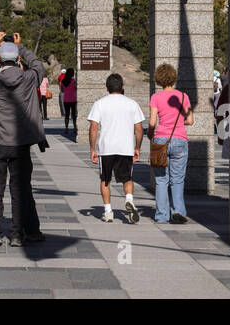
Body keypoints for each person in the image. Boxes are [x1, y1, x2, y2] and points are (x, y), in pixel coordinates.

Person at [0, 31, 46, 246]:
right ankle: (16, 235)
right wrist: (21, 47)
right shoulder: (30, 79)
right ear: (18, 59)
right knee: (20, 190)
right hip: (21, 143)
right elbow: (38, 66)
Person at [87, 73, 145, 224]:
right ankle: (129, 199)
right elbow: (139, 129)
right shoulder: (132, 104)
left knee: (105, 180)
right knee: (127, 178)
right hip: (125, 147)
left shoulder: (100, 103)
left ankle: (108, 212)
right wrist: (137, 147)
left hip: (106, 148)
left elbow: (93, 128)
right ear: (123, 87)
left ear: (107, 88)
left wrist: (92, 148)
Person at [150, 62, 194, 224]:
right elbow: (190, 120)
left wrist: (150, 134)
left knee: (161, 180)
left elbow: (153, 122)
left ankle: (162, 215)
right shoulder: (183, 97)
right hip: (180, 139)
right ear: (173, 77)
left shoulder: (155, 97)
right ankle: (178, 211)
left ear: (158, 79)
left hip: (161, 140)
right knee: (178, 179)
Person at [58, 66, 78, 133]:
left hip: (66, 100)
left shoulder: (63, 81)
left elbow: (62, 90)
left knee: (67, 115)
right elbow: (76, 88)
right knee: (74, 115)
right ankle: (75, 128)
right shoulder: (74, 81)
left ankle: (66, 128)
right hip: (73, 100)